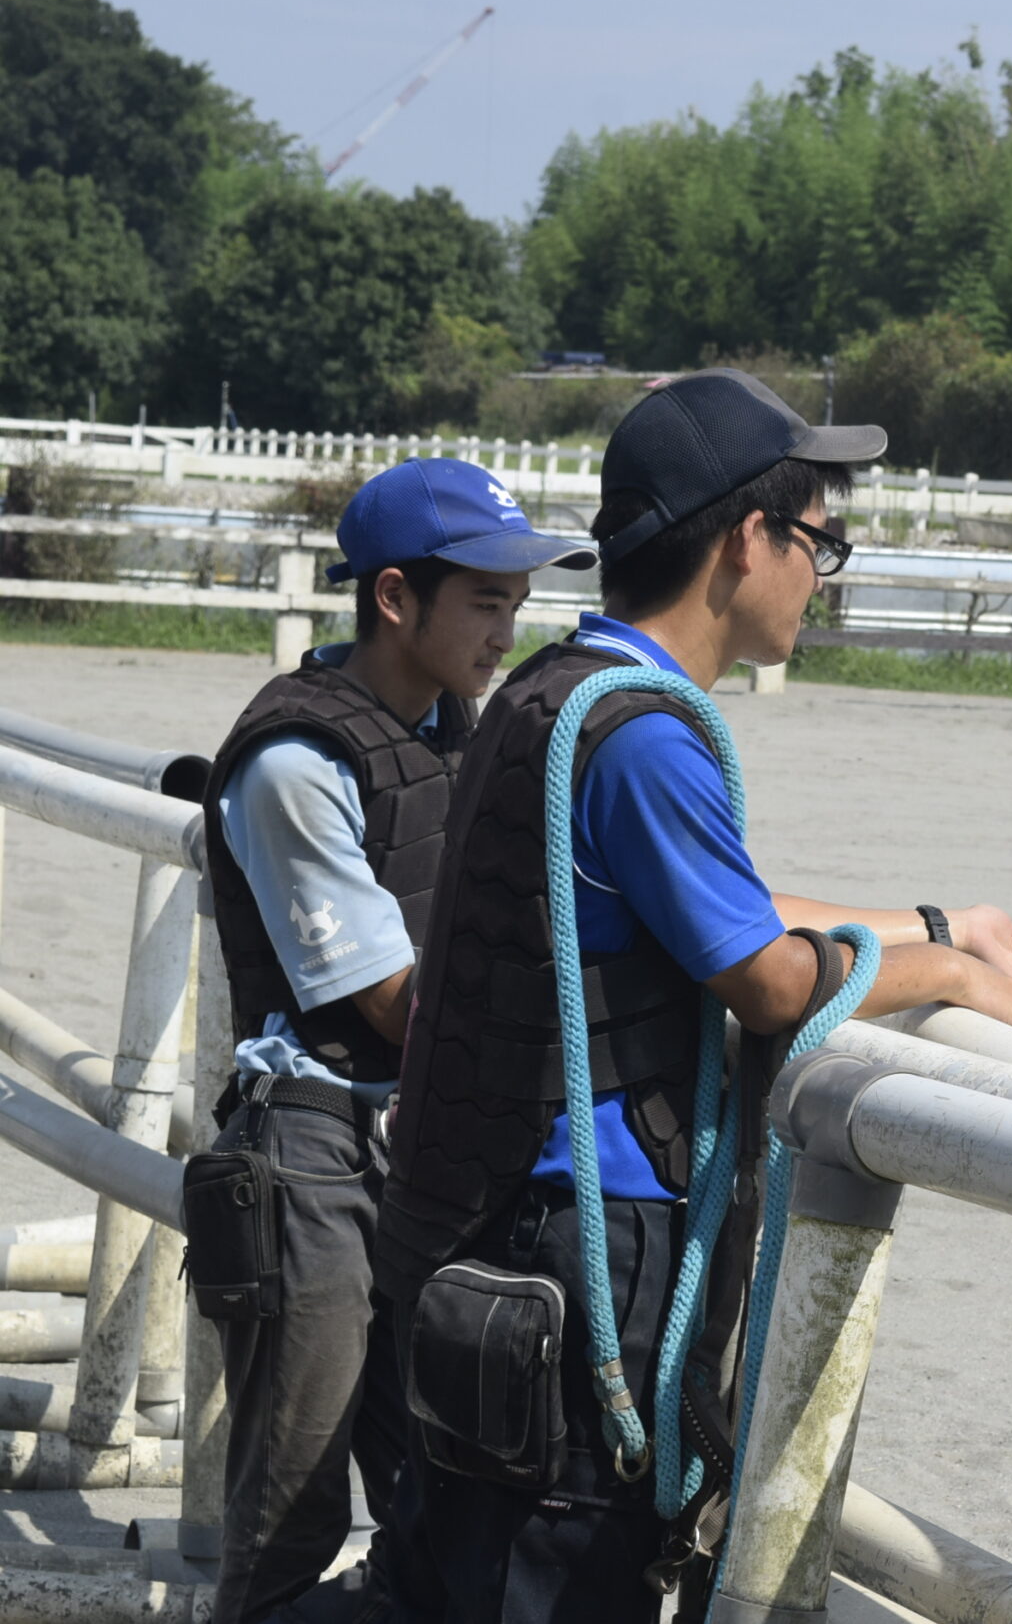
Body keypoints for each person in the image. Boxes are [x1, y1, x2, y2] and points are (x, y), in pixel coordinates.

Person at [377, 369, 1012, 1622]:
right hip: (590, 1241)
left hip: (489, 1219)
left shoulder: (557, 691)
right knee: (565, 1573)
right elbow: (765, 976)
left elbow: (720, 906)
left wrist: (931, 921)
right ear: (748, 538)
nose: (820, 575)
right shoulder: (644, 734)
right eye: (819, 541)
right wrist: (952, 976)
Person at [197, 457, 596, 1624]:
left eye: (518, 605)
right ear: (392, 597)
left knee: (440, 1494)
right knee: (292, 1508)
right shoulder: (294, 759)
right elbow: (394, 1003)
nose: (506, 633)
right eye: (486, 602)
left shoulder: (456, 731)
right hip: (313, 1154)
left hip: (414, 1146)